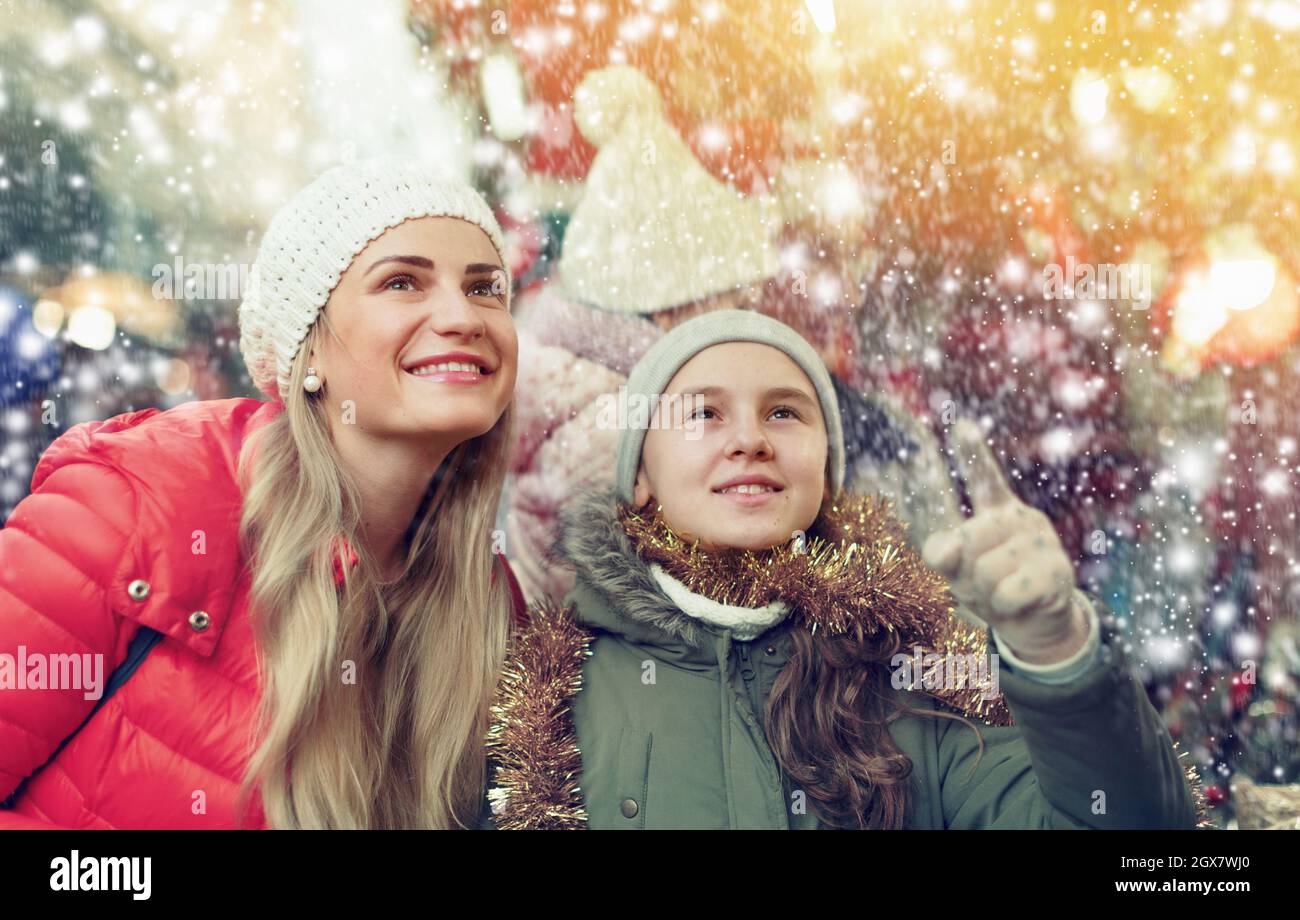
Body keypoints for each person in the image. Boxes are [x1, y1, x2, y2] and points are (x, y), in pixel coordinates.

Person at [483, 309, 1206, 829]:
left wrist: (1056, 648)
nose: (749, 441)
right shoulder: (554, 688)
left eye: (785, 414)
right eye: (703, 414)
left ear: (826, 473)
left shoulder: (919, 673)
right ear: (639, 475)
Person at [0, 159, 526, 829]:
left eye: (486, 289)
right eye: (402, 281)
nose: (462, 315)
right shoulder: (133, 508)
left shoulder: (491, 606)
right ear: (309, 352)